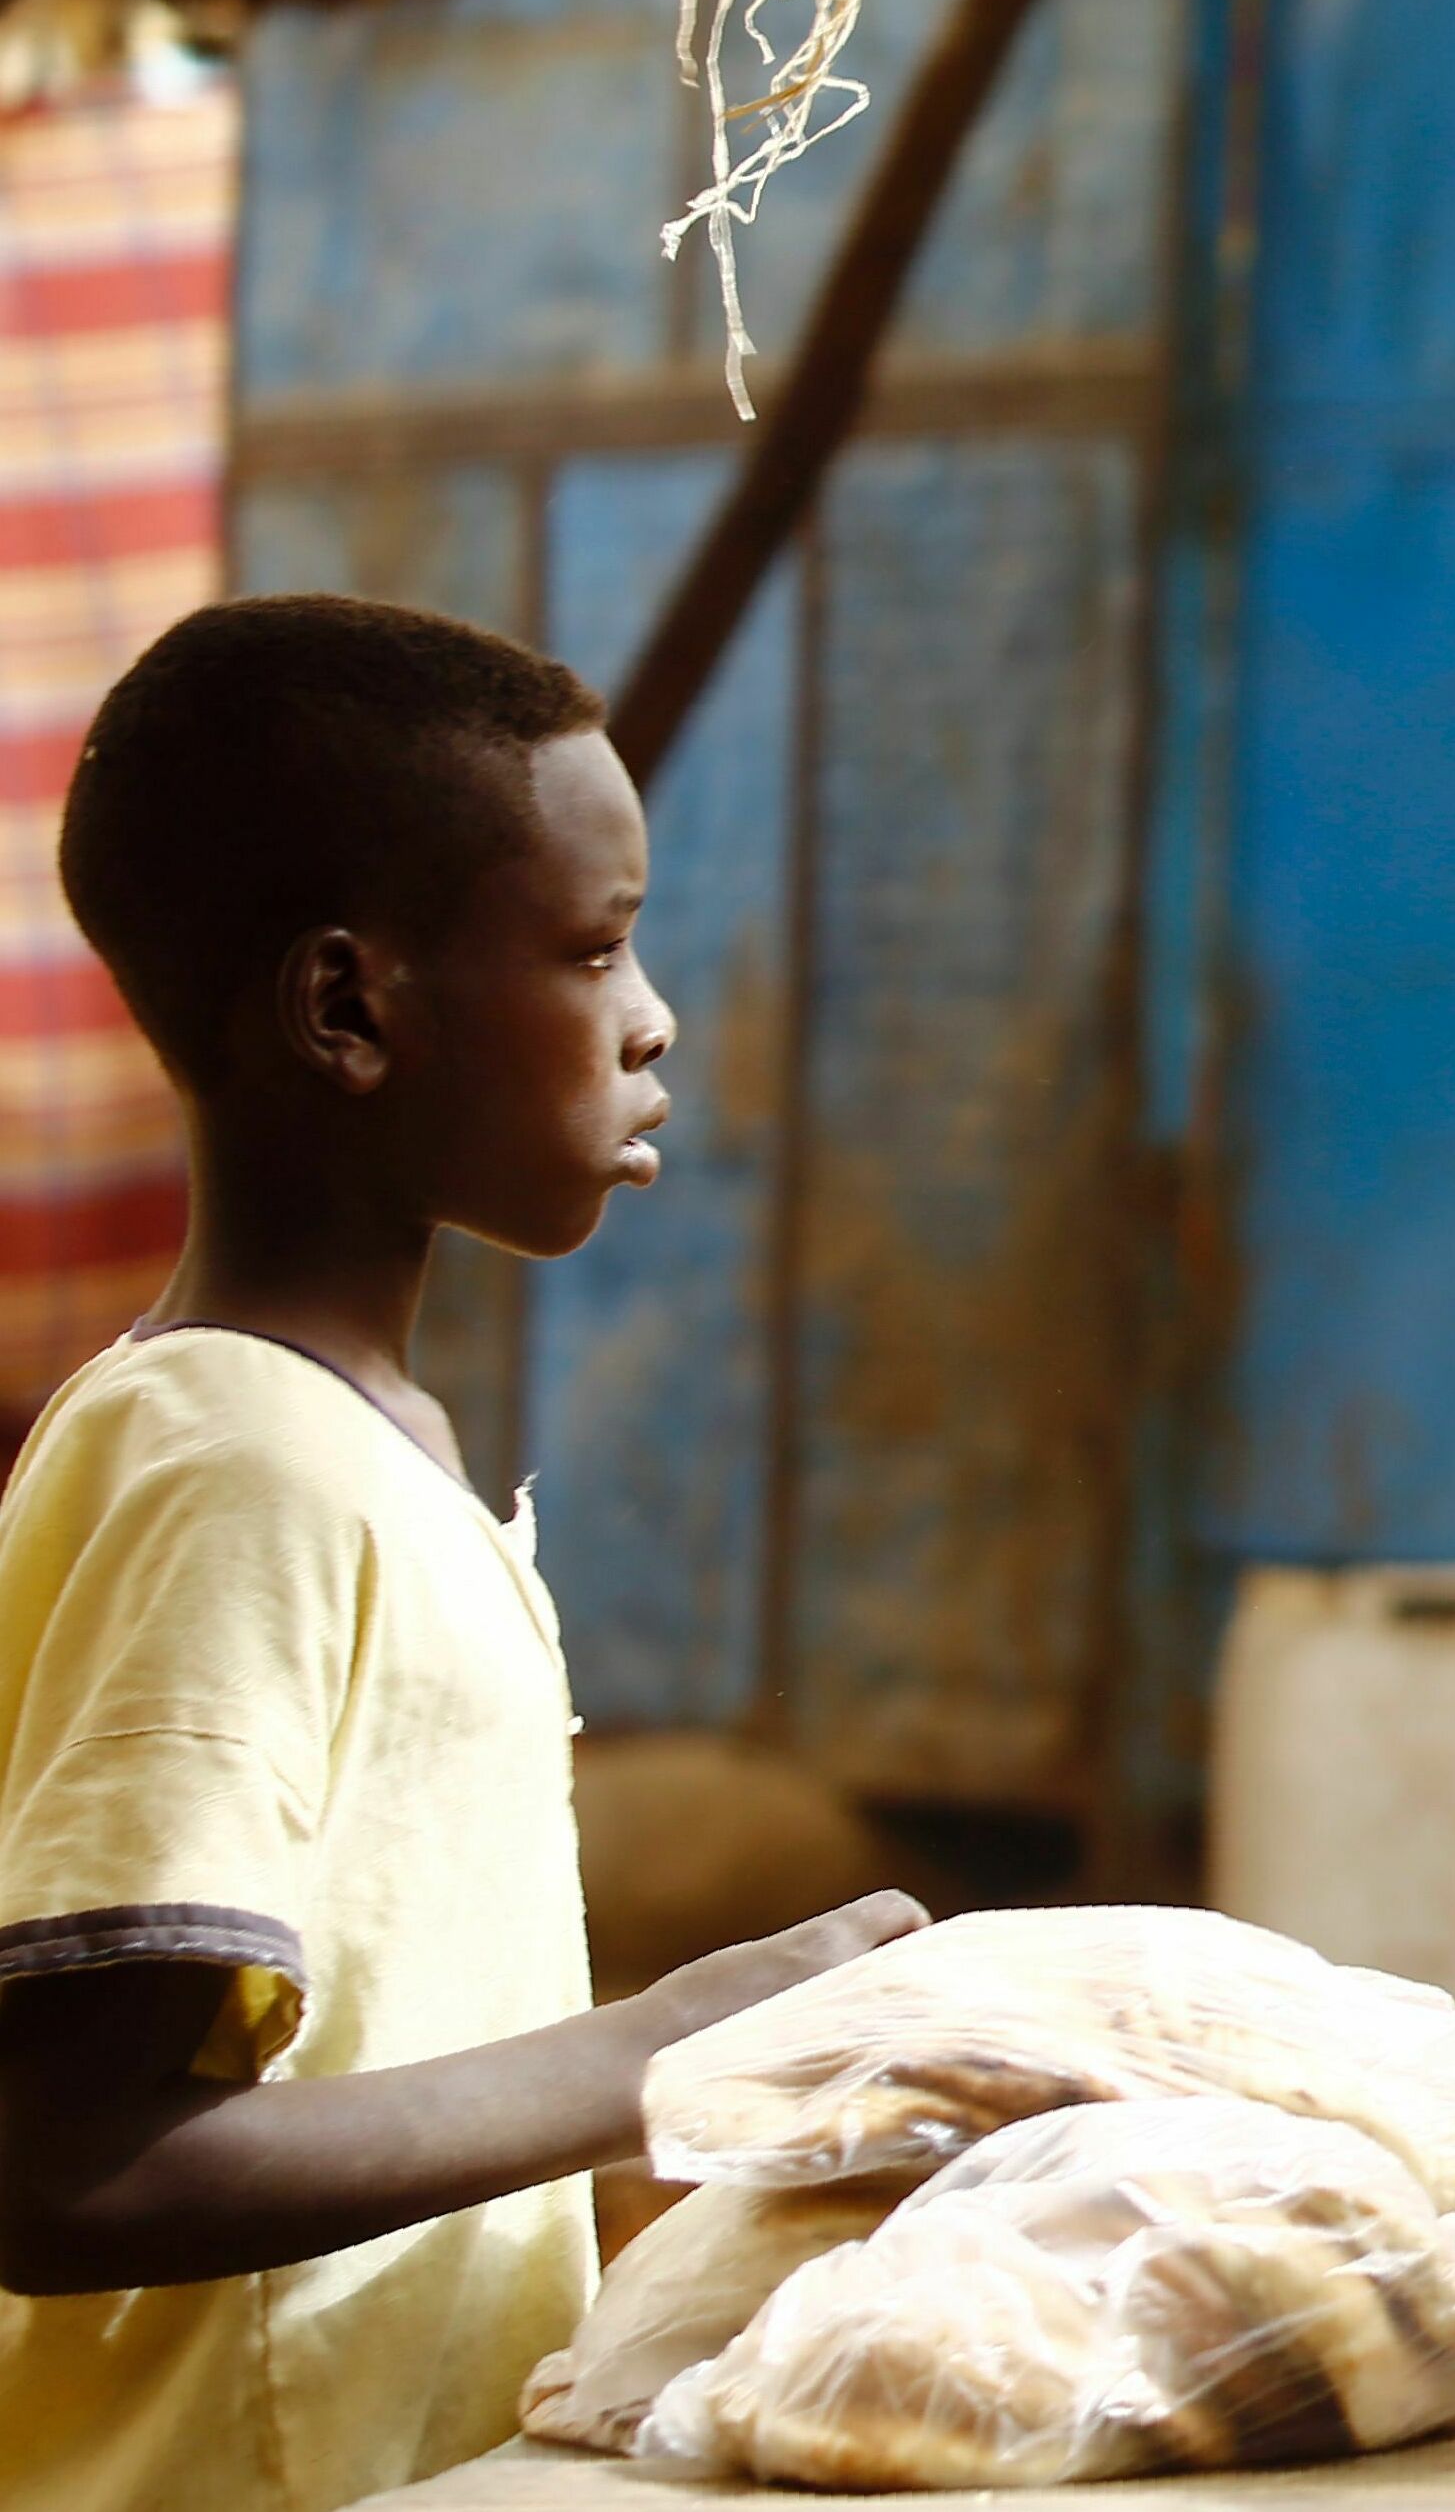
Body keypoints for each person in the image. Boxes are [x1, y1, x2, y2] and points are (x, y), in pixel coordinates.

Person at [0, 597, 926, 2511]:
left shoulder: (349, 1447)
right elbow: (65, 2165)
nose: (653, 1010)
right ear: (349, 1008)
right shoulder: (229, 1464)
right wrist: (659, 2043)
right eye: (593, 949)